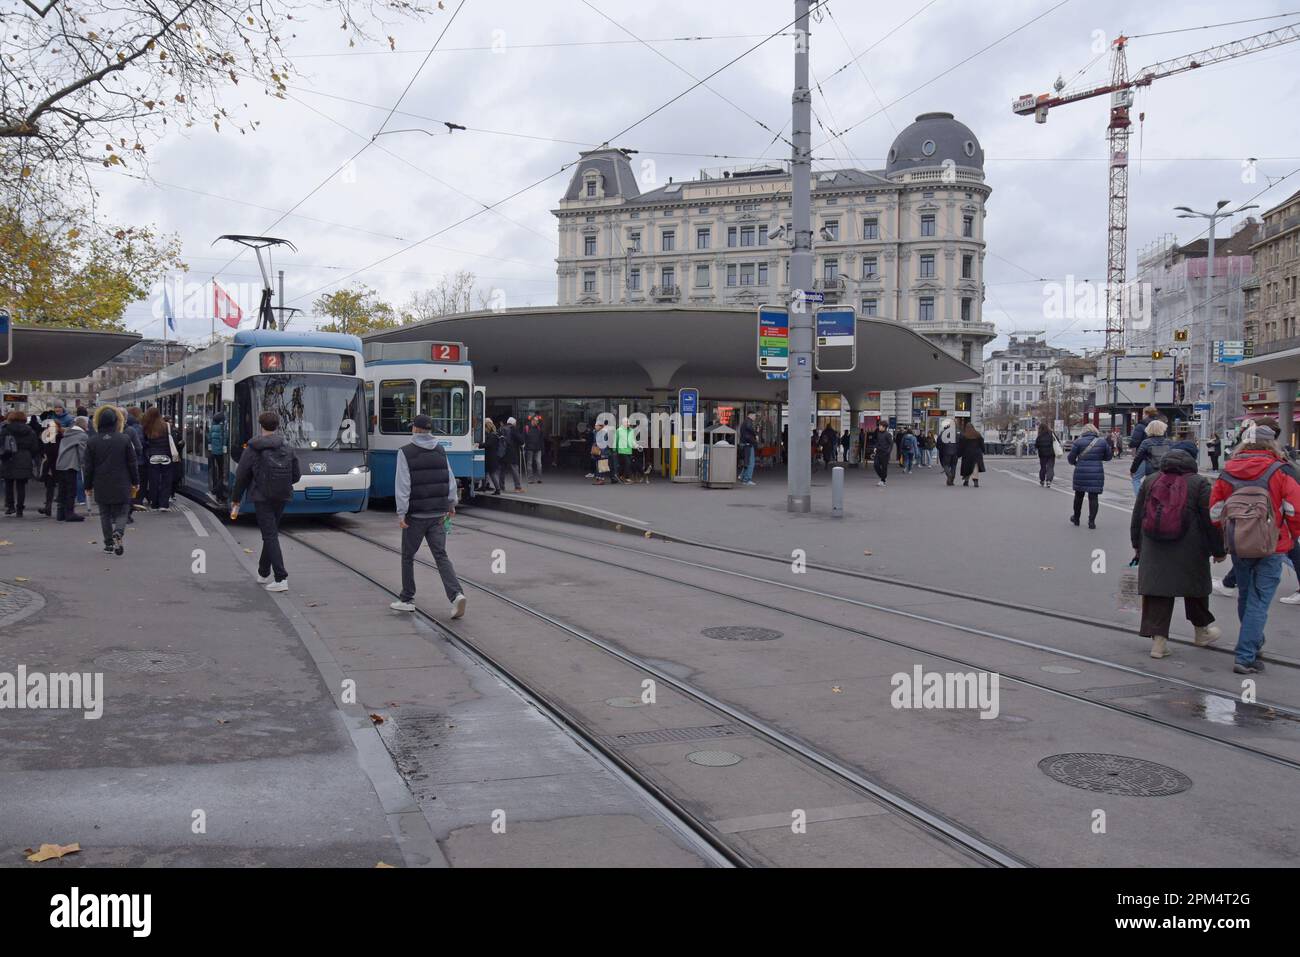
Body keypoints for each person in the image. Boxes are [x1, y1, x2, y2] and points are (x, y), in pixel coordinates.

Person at [1210, 424, 1300, 673]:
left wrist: (1229, 531)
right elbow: (1295, 509)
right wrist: (1291, 535)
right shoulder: (1281, 470)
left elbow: (1215, 511)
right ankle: (1246, 654)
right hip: (1273, 544)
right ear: (1272, 444)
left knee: (1247, 596)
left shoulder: (1228, 470)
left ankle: (1253, 641)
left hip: (1239, 543)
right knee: (1259, 601)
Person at [1131, 447, 1225, 659]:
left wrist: (1137, 545)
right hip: (1191, 549)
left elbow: (1138, 515)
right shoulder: (1199, 483)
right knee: (1196, 589)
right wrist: (1219, 550)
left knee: (1158, 591)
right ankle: (1202, 633)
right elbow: (1211, 522)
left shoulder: (1151, 480)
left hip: (1154, 547)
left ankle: (1158, 643)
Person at [389, 414, 466, 618]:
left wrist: (401, 513)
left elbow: (403, 485)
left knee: (408, 556)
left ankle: (407, 598)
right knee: (441, 556)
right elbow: (449, 479)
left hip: (416, 515)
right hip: (439, 513)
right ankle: (456, 594)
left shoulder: (405, 452)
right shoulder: (440, 449)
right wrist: (452, 503)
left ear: (415, 429)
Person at [230, 411, 301, 592]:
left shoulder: (253, 448)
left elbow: (241, 476)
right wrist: (281, 485)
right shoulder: (287, 446)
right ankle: (263, 572)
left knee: (269, 535)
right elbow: (296, 475)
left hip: (262, 497)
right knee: (271, 533)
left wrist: (236, 499)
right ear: (277, 426)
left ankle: (280, 578)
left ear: (260, 425)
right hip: (282, 496)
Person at [84, 406, 139, 556]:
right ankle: (119, 532)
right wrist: (136, 481)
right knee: (122, 511)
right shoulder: (124, 439)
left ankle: (108, 544)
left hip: (101, 482)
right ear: (116, 422)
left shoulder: (92, 441)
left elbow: (88, 467)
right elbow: (132, 463)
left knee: (105, 514)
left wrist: (87, 485)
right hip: (122, 481)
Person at [1067, 422, 1111, 528]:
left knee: (1078, 496)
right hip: (1096, 472)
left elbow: (1070, 458)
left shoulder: (1078, 442)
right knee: (1093, 497)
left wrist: (1076, 463)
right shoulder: (1102, 442)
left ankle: (1076, 518)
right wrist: (1098, 459)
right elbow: (1108, 457)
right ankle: (1091, 522)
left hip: (1080, 472)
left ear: (1084, 432)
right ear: (1095, 431)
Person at [1, 410, 40, 517]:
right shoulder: (30, 431)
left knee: (8, 484)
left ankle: (10, 506)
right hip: (24, 458)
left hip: (9, 458)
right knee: (21, 485)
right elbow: (35, 447)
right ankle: (20, 509)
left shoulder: (6, 430)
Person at [53, 415, 88, 522]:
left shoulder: (67, 434)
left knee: (62, 489)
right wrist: (85, 465)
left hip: (61, 463)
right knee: (71, 489)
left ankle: (60, 513)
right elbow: (82, 452)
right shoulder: (82, 436)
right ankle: (69, 513)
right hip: (71, 464)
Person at [140, 408, 175, 510]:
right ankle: (163, 504)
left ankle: (154, 503)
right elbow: (172, 440)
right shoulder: (166, 426)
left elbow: (144, 442)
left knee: (153, 480)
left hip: (153, 457)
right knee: (166, 480)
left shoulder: (147, 427)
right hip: (166, 457)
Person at [1130, 419, 1172, 491]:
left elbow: (1138, 458)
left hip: (1151, 471)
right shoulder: (1169, 442)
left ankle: (1141, 499)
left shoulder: (1146, 442)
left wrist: (1133, 470)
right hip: (1165, 470)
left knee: (1150, 489)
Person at [1129, 406, 1161, 495]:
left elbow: (1134, 442)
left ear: (1146, 414)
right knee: (1155, 480)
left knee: (1136, 478)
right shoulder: (1160, 425)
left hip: (1144, 456)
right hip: (1158, 457)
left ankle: (1141, 500)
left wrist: (1131, 445)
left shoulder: (1141, 425)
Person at [35, 415, 60, 516]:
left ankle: (50, 507)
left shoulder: (51, 438)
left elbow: (48, 451)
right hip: (54, 465)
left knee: (51, 487)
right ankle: (48, 507)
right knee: (51, 487)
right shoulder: (57, 437)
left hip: (51, 465)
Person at [207, 411, 228, 504]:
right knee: (222, 473)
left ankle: (216, 492)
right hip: (221, 454)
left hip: (214, 453)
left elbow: (209, 438)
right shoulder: (222, 428)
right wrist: (224, 448)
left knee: (217, 472)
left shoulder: (213, 427)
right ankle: (218, 492)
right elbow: (225, 438)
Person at [957, 422, 985, 487]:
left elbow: (961, 446)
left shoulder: (964, 436)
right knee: (975, 467)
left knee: (967, 467)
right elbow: (982, 444)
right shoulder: (978, 434)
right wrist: (983, 450)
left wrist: (959, 454)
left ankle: (966, 481)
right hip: (976, 453)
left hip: (967, 454)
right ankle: (976, 481)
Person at [501, 417, 524, 492]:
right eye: (515, 423)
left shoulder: (501, 429)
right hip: (512, 452)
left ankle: (501, 487)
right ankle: (517, 487)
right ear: (513, 423)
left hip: (502, 452)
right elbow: (520, 440)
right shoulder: (513, 429)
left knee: (502, 470)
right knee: (514, 469)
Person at [482, 418, 503, 494]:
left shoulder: (492, 435)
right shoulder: (495, 434)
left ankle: (498, 489)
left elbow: (488, 444)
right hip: (492, 457)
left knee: (492, 473)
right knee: (486, 472)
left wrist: (479, 445)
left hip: (491, 458)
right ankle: (484, 486)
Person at [523, 414, 545, 484]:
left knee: (539, 463)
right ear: (532, 421)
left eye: (538, 421)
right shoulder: (527, 427)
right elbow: (524, 438)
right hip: (529, 448)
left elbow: (541, 439)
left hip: (538, 448)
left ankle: (539, 478)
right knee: (529, 463)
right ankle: (530, 479)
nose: (537, 422)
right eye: (536, 421)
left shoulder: (539, 428)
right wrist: (524, 447)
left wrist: (542, 448)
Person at [936, 419, 959, 486]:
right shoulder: (958, 432)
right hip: (955, 452)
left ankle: (949, 475)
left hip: (946, 452)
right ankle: (951, 481)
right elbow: (962, 442)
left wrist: (941, 449)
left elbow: (939, 442)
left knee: (945, 465)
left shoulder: (943, 432)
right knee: (953, 466)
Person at [739, 412, 758, 486]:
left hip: (745, 444)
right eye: (755, 415)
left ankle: (742, 476)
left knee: (747, 462)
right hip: (748, 445)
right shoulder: (748, 422)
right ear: (751, 415)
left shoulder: (745, 422)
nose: (755, 417)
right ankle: (747, 479)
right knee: (751, 462)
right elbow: (749, 428)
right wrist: (755, 435)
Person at [1034, 423, 1056, 488]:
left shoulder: (1039, 436)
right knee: (1050, 467)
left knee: (1043, 467)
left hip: (1042, 454)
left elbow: (1036, 445)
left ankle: (1042, 480)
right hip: (1051, 454)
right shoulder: (1051, 434)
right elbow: (1057, 442)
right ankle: (1049, 480)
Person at [870, 421, 892, 487]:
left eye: (880, 426)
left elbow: (891, 443)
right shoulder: (878, 433)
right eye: (879, 426)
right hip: (878, 452)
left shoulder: (888, 434)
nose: (879, 427)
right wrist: (875, 447)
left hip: (885, 454)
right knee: (875, 465)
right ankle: (883, 477)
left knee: (884, 467)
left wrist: (888, 452)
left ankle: (883, 481)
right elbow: (876, 442)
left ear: (884, 427)